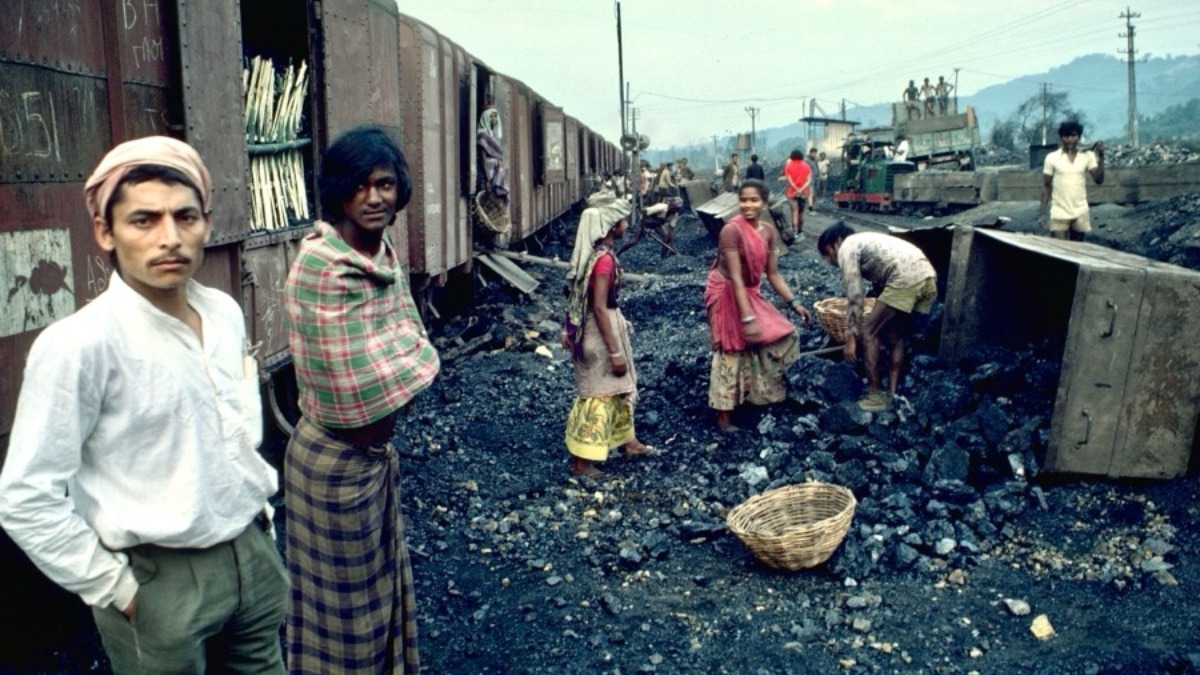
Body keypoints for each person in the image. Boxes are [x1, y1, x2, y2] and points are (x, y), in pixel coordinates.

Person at [0, 136, 286, 673]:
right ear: (106, 232)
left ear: (207, 221)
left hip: (251, 554)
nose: (170, 238)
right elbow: (24, 497)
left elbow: (234, 435)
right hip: (159, 582)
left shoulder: (223, 312)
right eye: (144, 220)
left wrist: (261, 532)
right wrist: (117, 589)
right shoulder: (79, 346)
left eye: (186, 217)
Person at [284, 126, 440, 673]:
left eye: (386, 184)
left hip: (373, 465)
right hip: (331, 469)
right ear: (338, 192)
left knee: (381, 601)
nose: (374, 198)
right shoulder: (322, 267)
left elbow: (408, 343)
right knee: (342, 621)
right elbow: (359, 388)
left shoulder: (383, 253)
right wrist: (408, 361)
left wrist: (406, 359)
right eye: (360, 186)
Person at [705, 179, 810, 433]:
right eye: (743, 200)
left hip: (747, 291)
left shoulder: (767, 232)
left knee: (785, 335)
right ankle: (723, 417)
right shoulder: (731, 231)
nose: (748, 205)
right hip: (726, 290)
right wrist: (748, 319)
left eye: (754, 200)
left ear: (764, 202)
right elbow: (736, 277)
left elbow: (772, 273)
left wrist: (793, 302)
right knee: (732, 349)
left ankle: (757, 394)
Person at [563, 190, 650, 475]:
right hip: (600, 334)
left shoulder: (595, 254)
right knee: (598, 396)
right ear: (613, 225)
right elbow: (599, 307)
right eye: (623, 220)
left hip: (595, 329)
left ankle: (628, 442)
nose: (626, 224)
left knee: (619, 388)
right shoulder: (605, 261)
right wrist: (614, 351)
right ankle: (582, 462)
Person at [818, 221, 937, 412]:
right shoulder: (869, 242)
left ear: (837, 241)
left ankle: (875, 396)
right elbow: (880, 283)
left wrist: (850, 338)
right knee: (894, 336)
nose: (829, 260)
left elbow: (855, 295)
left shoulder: (847, 247)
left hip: (905, 278)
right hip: (928, 277)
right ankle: (892, 393)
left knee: (868, 333)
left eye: (827, 253)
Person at [1039, 120, 1104, 242]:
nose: (1069, 139)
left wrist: (1101, 157)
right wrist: (1042, 213)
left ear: (1079, 137)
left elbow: (1098, 180)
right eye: (1066, 136)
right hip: (1059, 211)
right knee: (1060, 250)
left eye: (1073, 136)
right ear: (1061, 137)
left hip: (1080, 211)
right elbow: (1046, 185)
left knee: (1077, 250)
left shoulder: (1087, 156)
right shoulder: (1052, 158)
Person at [781, 149, 812, 237]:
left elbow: (789, 180)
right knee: (801, 213)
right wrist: (802, 189)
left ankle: (794, 232)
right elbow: (809, 180)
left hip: (792, 193)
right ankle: (800, 231)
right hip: (804, 193)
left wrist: (796, 189)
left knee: (794, 212)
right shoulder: (807, 166)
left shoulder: (788, 166)